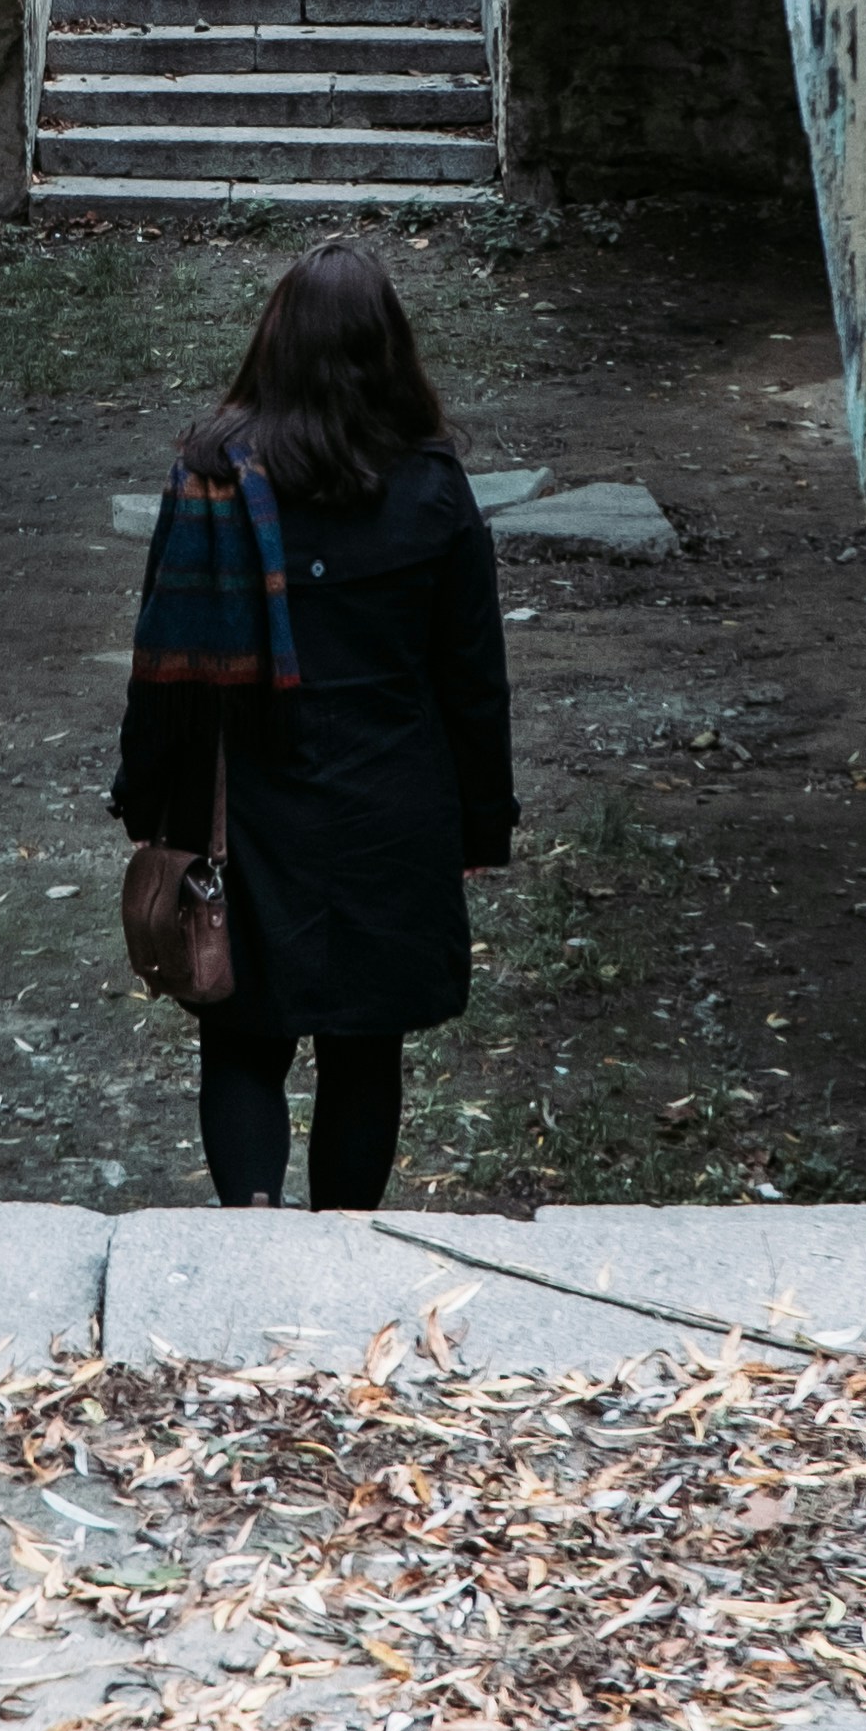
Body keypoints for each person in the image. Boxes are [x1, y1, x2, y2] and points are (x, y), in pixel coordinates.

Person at [112, 239, 515, 1211]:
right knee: (363, 1049)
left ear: (273, 342)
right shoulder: (431, 485)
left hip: (250, 810)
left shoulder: (209, 473)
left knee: (242, 1038)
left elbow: (163, 668)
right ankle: (341, 1242)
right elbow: (471, 677)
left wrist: (145, 797)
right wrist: (476, 825)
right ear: (390, 351)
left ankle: (251, 1229)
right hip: (393, 804)